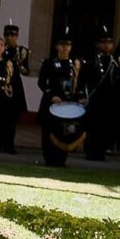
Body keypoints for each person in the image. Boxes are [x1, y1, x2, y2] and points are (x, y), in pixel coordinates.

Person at [37, 34, 87, 166]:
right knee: (49, 132)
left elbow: (79, 84)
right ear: (57, 47)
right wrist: (52, 95)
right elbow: (42, 82)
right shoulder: (49, 63)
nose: (65, 48)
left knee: (65, 132)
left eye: (68, 45)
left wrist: (80, 97)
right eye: (62, 45)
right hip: (52, 102)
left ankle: (61, 160)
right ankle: (49, 159)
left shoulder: (74, 65)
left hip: (67, 104)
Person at [0, 24, 26, 159]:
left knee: (12, 119)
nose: (10, 38)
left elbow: (25, 70)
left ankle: (9, 145)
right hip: (1, 86)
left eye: (13, 35)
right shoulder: (2, 49)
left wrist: (21, 64)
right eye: (8, 35)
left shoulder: (21, 51)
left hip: (14, 86)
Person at [83, 36, 120, 162]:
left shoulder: (115, 61)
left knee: (105, 127)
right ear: (98, 44)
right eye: (104, 42)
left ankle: (101, 151)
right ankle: (90, 151)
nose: (107, 45)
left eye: (110, 42)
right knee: (92, 127)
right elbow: (85, 79)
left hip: (109, 99)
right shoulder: (91, 60)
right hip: (94, 97)